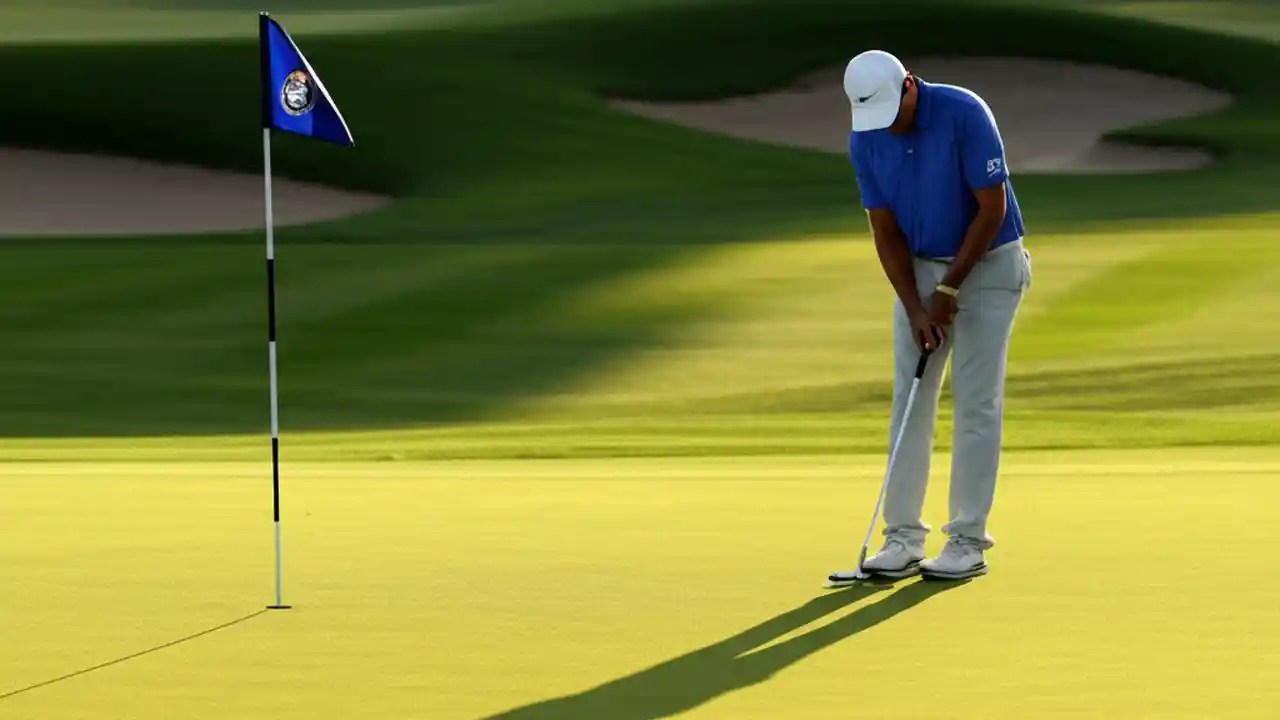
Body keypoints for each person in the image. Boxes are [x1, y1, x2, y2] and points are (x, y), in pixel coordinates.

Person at [838, 50, 1031, 580]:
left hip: (989, 263)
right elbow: (884, 230)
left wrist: (948, 290)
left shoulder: (964, 112)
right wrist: (915, 305)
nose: (887, 125)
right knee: (911, 400)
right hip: (920, 266)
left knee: (975, 400)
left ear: (909, 85)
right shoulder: (866, 135)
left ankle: (967, 541)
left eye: (892, 111)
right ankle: (902, 538)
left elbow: (991, 210)